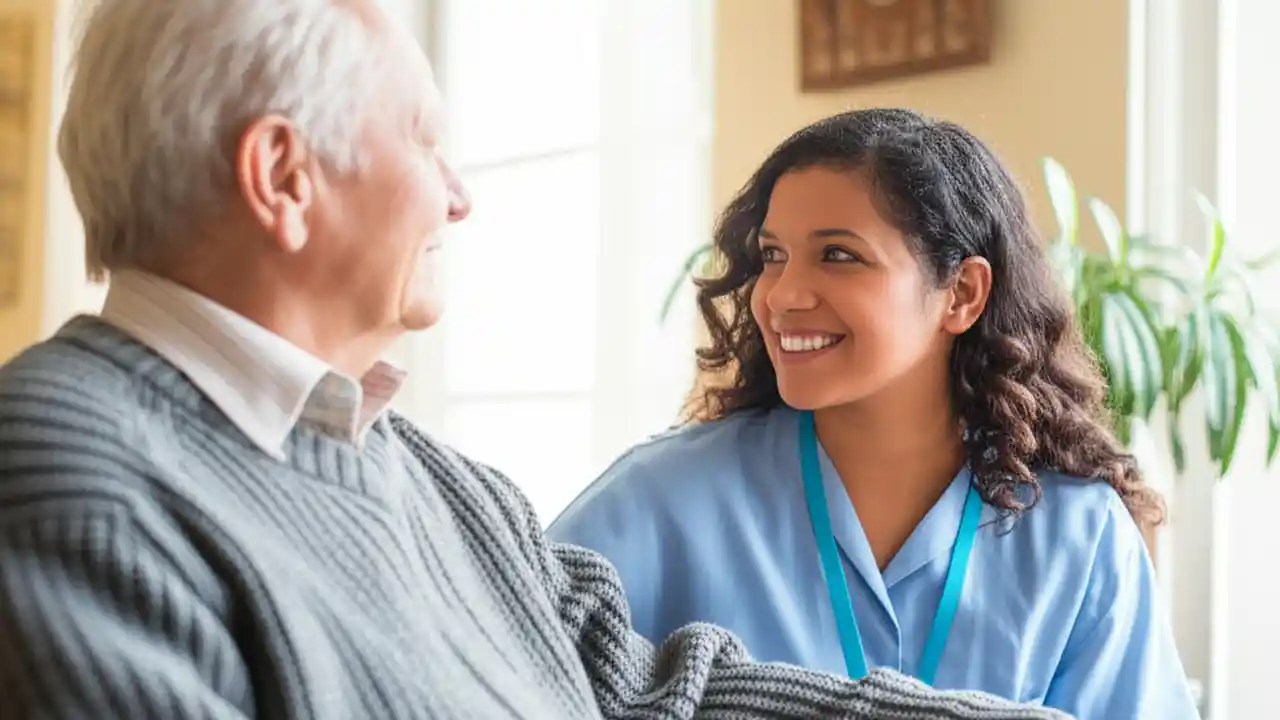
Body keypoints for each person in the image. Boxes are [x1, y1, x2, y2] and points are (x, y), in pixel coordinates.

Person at [0, 2, 1072, 718]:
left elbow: (664, 691)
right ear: (283, 174)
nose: (457, 194)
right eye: (423, 139)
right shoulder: (62, 474)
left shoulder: (428, 476)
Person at [548, 109, 1199, 719]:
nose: (780, 295)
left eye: (838, 255)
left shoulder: (1079, 537)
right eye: (773, 255)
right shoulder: (660, 498)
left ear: (962, 294)